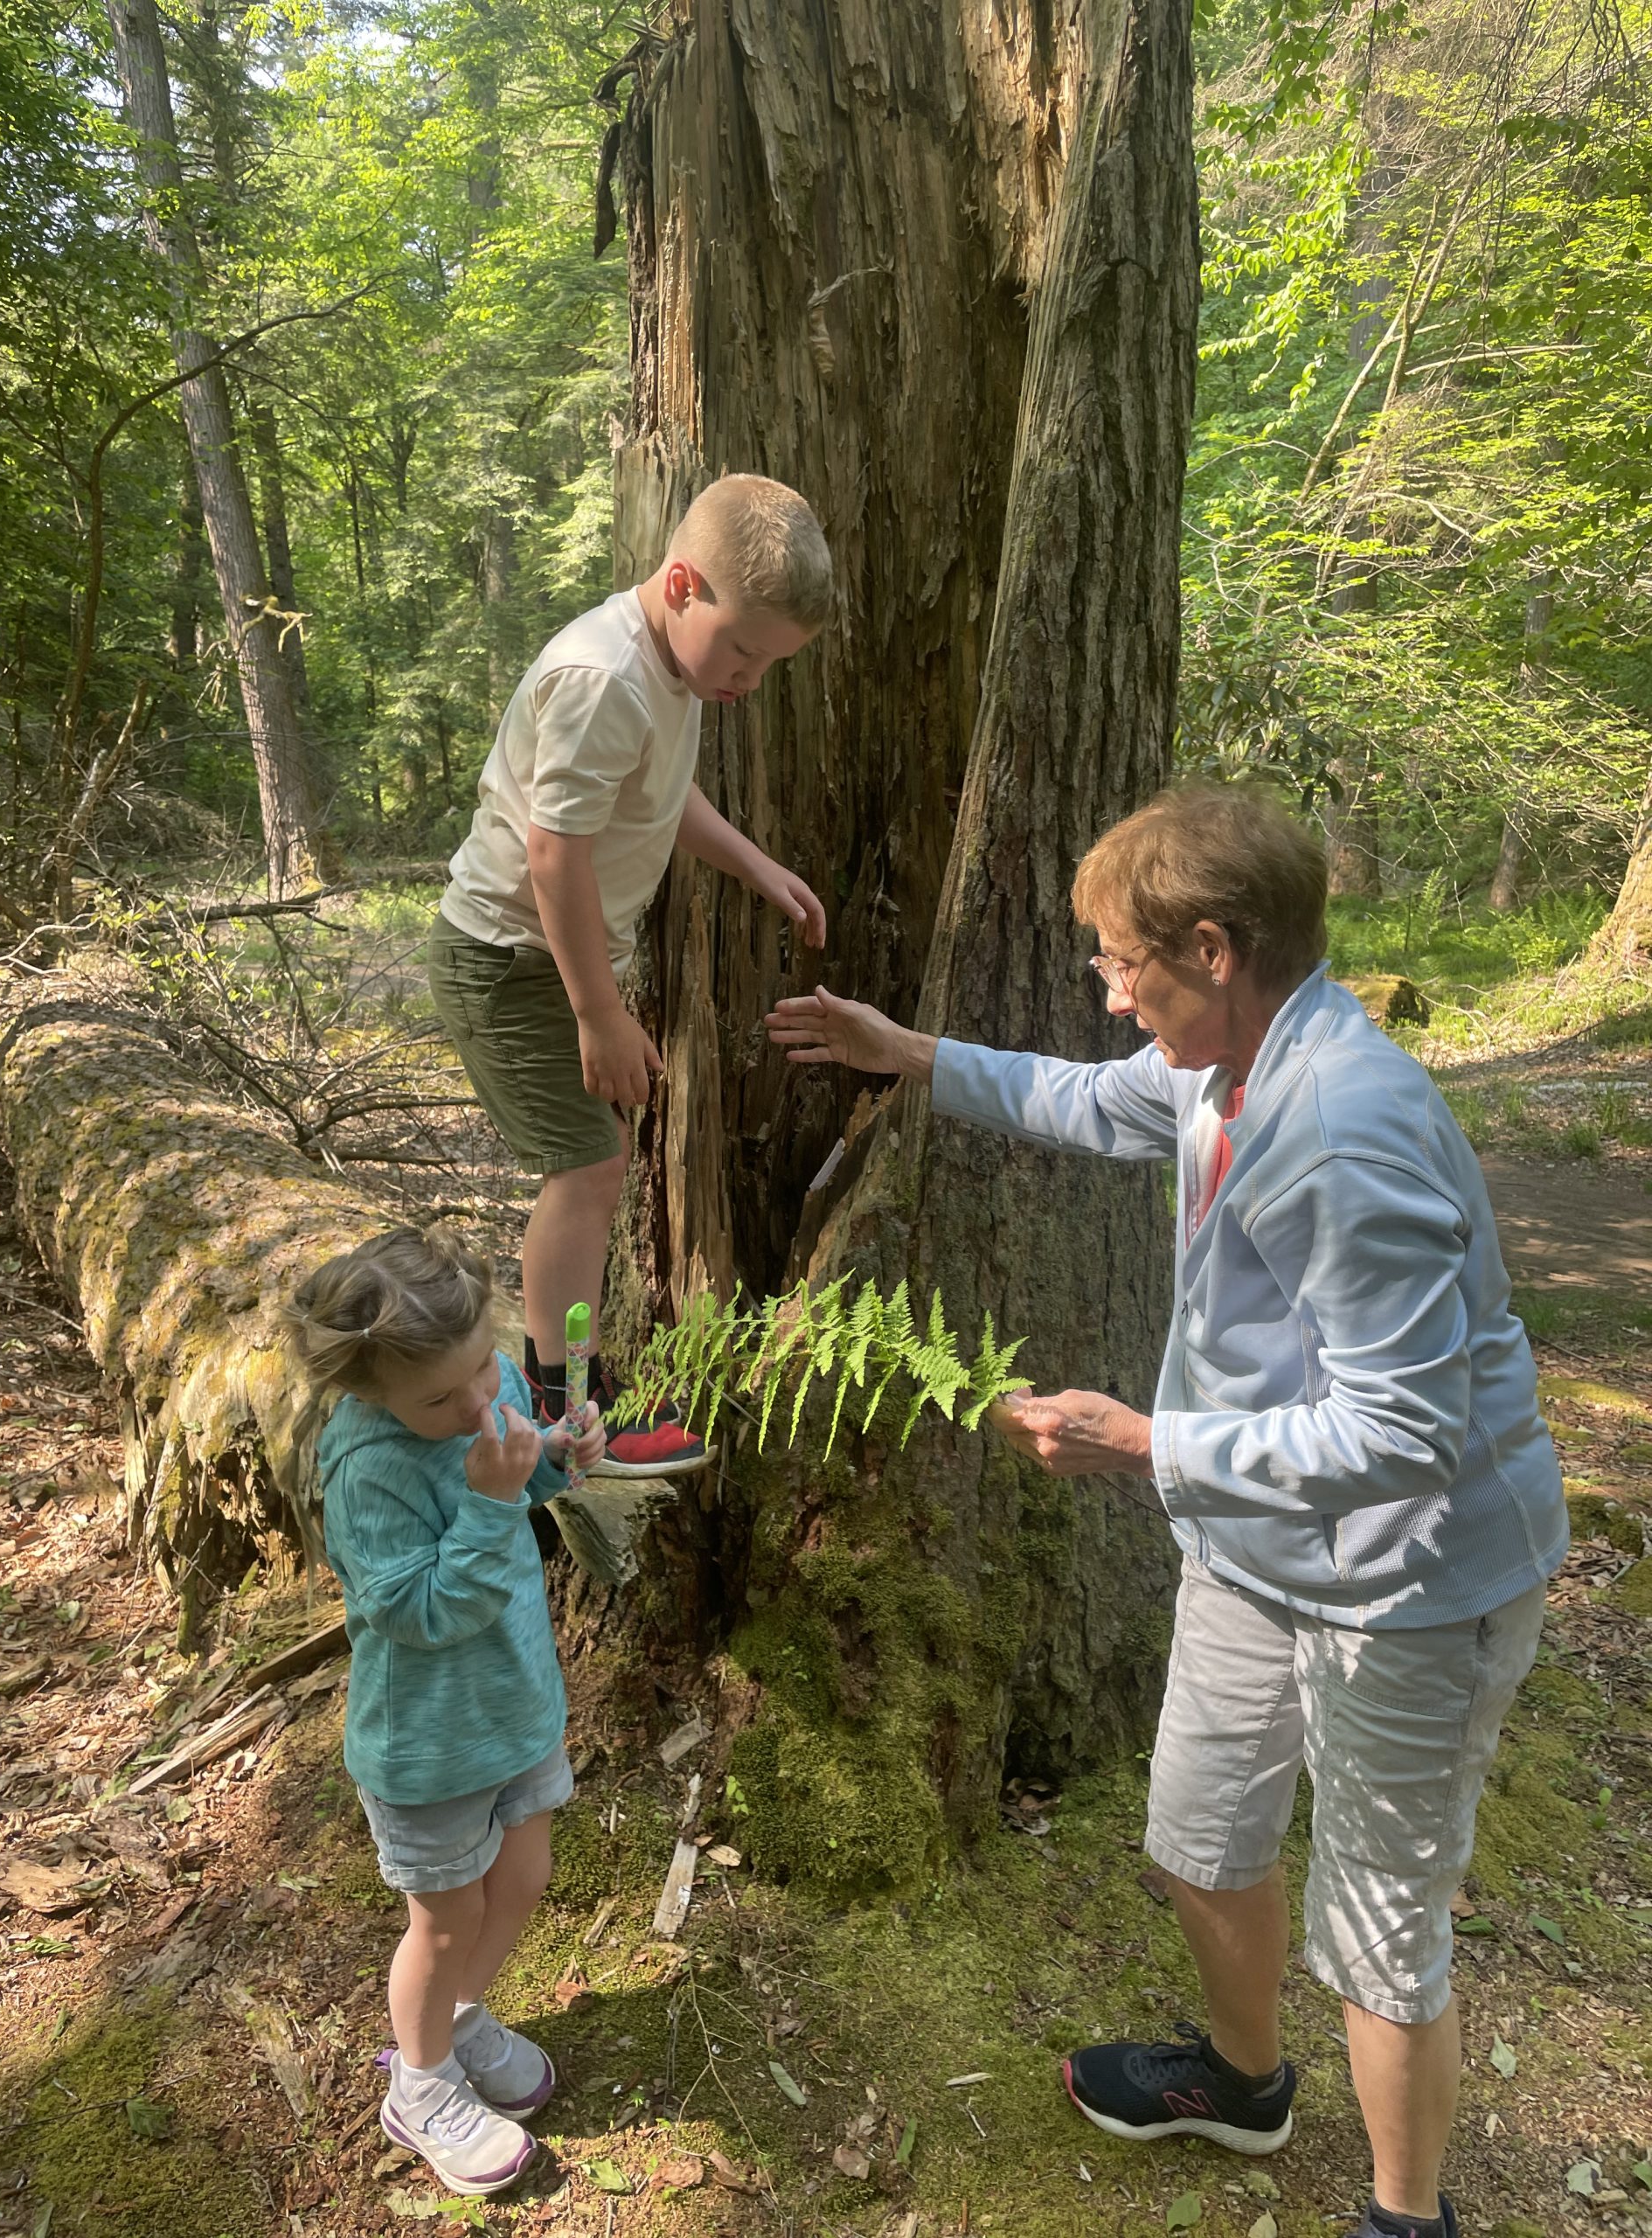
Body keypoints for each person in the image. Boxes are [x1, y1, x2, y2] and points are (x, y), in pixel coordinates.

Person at [765, 785, 1566, 2238]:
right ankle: (1246, 2085)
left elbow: (1404, 1429)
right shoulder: (1226, 1066)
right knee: (1200, 1839)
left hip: (1412, 1581)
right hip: (1259, 1551)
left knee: (1380, 1934)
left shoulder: (1343, 1128)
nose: (1105, 988)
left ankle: (1406, 2218)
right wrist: (910, 1056)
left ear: (1211, 950)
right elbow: (1083, 1098)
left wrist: (1146, 1444)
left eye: (1121, 961)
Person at [431, 472, 833, 1476]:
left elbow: (656, 793)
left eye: (771, 663)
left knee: (598, 1160)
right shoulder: (605, 674)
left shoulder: (669, 671)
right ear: (684, 582)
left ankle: (569, 1392)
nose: (749, 679)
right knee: (592, 1165)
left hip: (553, 962)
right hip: (506, 960)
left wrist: (755, 864)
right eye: (744, 649)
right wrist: (598, 1014)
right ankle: (569, 1417)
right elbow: (553, 853)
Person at [284, 1224, 606, 2199]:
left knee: (526, 1873)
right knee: (444, 1913)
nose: (476, 1403)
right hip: (426, 1741)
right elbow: (418, 1611)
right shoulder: (369, 1469)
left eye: (482, 1370)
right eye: (440, 1397)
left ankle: (464, 2018)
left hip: (516, 1702)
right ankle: (419, 2082)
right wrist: (493, 1498)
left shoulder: (484, 1374)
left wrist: (554, 1455)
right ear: (369, 1389)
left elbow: (516, 1458)